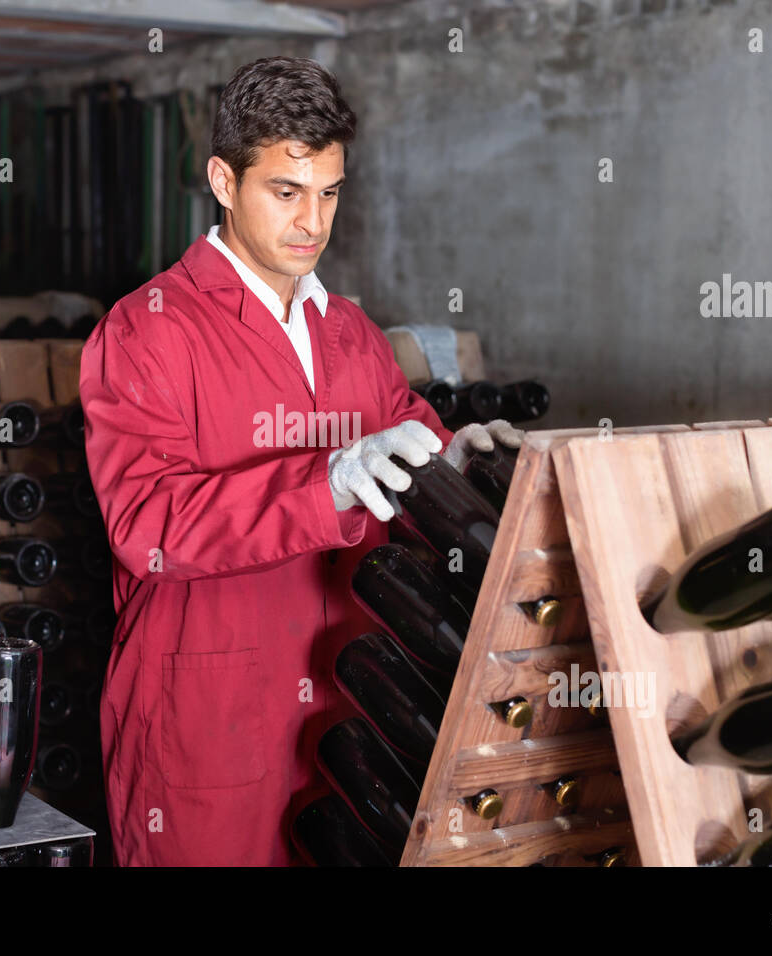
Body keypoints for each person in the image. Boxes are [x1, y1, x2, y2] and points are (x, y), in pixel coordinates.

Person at [79, 55, 522, 866]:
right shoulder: (148, 331)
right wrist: (328, 481)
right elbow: (145, 524)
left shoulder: (349, 330)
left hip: (348, 706)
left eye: (329, 193)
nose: (311, 222)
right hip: (208, 717)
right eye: (285, 192)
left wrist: (457, 457)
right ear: (223, 179)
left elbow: (406, 434)